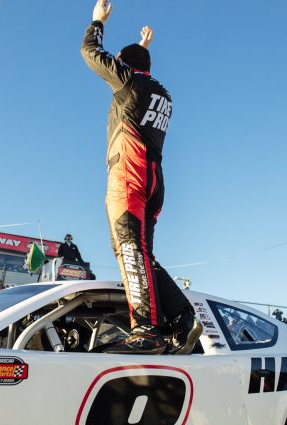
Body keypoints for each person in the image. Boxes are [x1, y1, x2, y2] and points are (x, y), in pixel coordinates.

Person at [81, 0, 199, 354]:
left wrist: (97, 22)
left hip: (128, 177)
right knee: (141, 252)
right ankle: (180, 316)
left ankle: (146, 329)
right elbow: (138, 71)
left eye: (119, 62)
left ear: (126, 66)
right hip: (153, 181)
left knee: (129, 249)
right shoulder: (161, 93)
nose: (113, 67)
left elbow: (90, 52)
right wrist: (141, 49)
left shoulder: (130, 83)